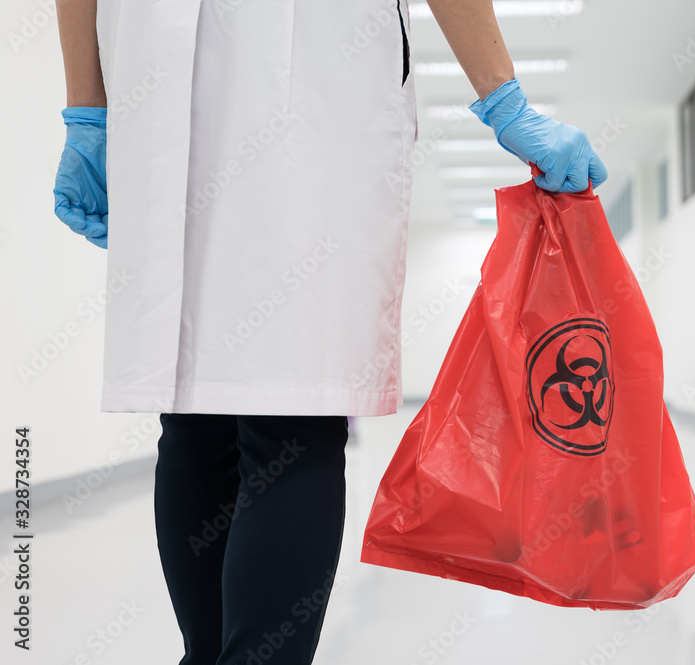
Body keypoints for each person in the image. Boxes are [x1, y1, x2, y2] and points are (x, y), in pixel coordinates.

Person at [53, 1, 607, 663]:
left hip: (158, 58)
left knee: (196, 407)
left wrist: (88, 108)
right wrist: (503, 98)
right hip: (313, 62)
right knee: (288, 415)